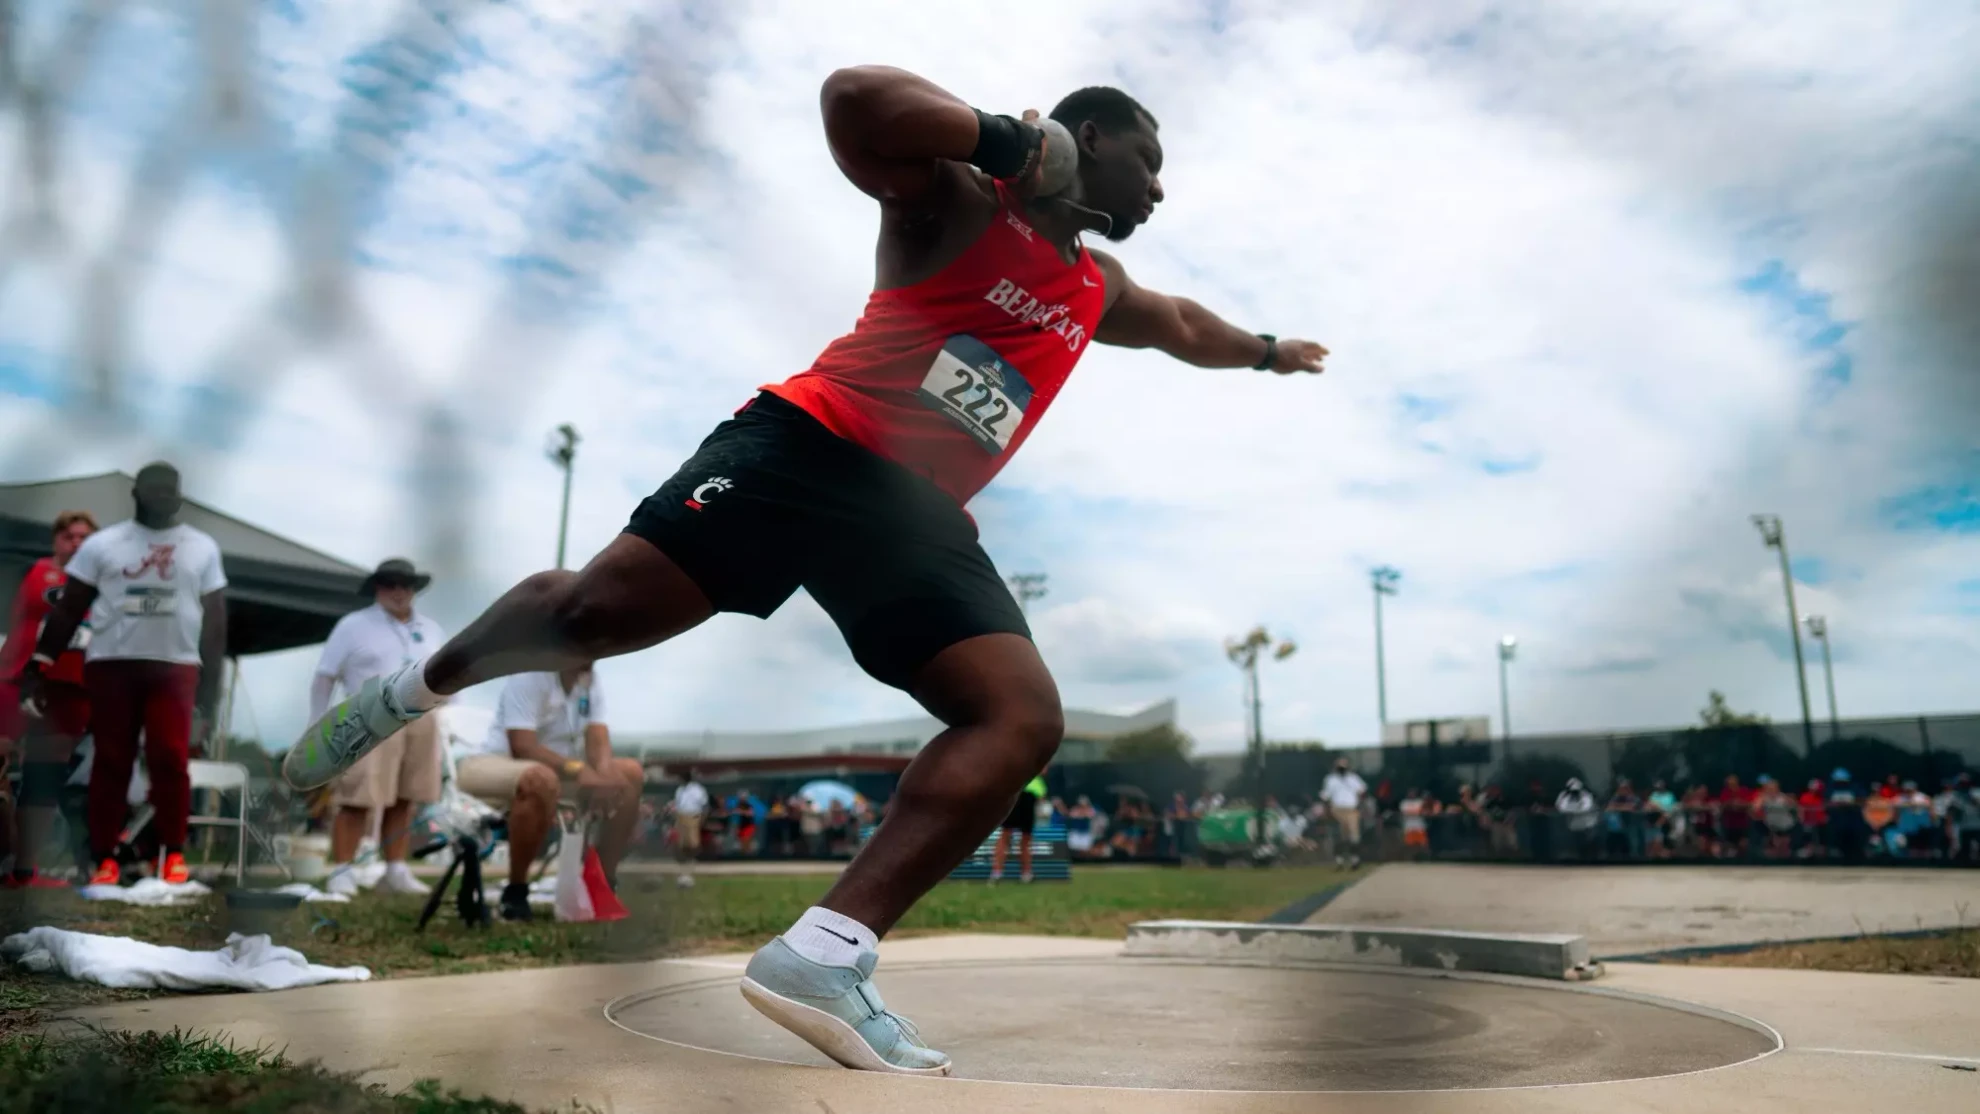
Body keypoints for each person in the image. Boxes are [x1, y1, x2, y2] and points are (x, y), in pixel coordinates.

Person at [281, 69, 1326, 1076]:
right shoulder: (965, 199)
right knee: (591, 616)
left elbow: (1185, 326)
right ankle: (412, 691)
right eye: (1149, 161)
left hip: (914, 518)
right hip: (810, 448)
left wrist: (1269, 349)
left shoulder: (1098, 287)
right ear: (1086, 139)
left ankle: (823, 955)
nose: (1159, 188)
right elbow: (854, 101)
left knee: (1019, 718)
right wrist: (1013, 143)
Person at [22, 464, 226, 886]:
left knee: (170, 757)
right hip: (113, 663)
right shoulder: (104, 544)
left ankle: (171, 852)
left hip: (175, 666)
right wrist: (40, 662)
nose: (161, 499)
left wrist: (212, 686)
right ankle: (104, 857)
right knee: (112, 759)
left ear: (180, 499)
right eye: (153, 491)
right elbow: (71, 605)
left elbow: (216, 619)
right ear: (135, 495)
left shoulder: (201, 547)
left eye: (168, 493)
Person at [458, 665, 643, 921]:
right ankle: (515, 892)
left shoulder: (589, 679)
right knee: (540, 779)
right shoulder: (529, 674)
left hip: (555, 771)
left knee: (630, 773)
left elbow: (597, 735)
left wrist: (604, 774)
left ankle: (601, 885)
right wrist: (579, 770)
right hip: (493, 762)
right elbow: (522, 746)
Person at [310, 559, 449, 897]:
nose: (399, 591)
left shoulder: (432, 629)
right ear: (377, 587)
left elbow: (446, 673)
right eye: (390, 584)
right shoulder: (353, 625)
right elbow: (325, 676)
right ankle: (342, 869)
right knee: (358, 794)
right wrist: (316, 723)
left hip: (421, 713)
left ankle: (396, 869)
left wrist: (452, 715)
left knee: (406, 796)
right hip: (369, 711)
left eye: (406, 584)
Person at [0, 510, 98, 886]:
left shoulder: (105, 584)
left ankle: (24, 869)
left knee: (43, 779)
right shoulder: (36, 570)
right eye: (68, 536)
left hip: (69, 688)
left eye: (84, 538)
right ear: (55, 540)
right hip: (19, 677)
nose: (76, 543)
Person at [989, 772, 1046, 882]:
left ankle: (1024, 874)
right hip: (1017, 791)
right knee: (1007, 835)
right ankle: (997, 873)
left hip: (1027, 793)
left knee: (1022, 837)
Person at [1320, 758, 1367, 868]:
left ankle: (1354, 859)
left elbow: (1362, 792)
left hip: (1351, 810)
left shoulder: (1353, 778)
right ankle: (1339, 861)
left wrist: (1361, 806)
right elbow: (1325, 796)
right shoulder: (1330, 779)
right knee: (1339, 836)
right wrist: (1327, 811)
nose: (1342, 769)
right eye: (1340, 767)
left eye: (1344, 766)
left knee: (1354, 836)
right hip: (1337, 810)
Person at [669, 769, 708, 888]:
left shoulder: (698, 789)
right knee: (681, 842)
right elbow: (678, 804)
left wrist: (702, 819)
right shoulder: (680, 790)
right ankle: (683, 863)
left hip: (693, 815)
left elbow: (704, 805)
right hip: (681, 816)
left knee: (693, 842)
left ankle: (693, 860)